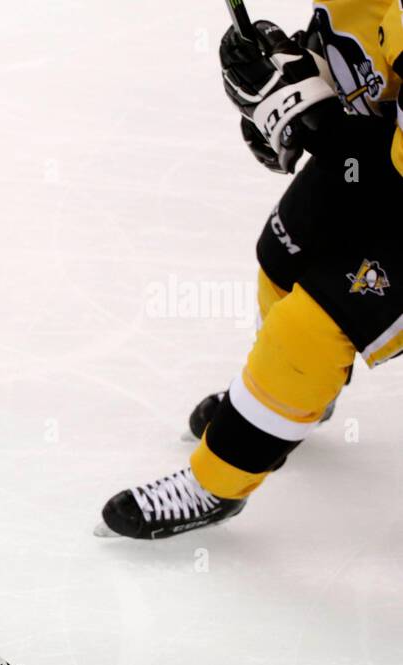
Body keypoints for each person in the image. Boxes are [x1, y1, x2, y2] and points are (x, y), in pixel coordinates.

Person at [98, 3, 403, 539]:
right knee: (280, 256)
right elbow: (355, 73)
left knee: (309, 329)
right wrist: (285, 81)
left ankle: (215, 483)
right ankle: (291, 403)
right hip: (380, 164)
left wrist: (314, 119)